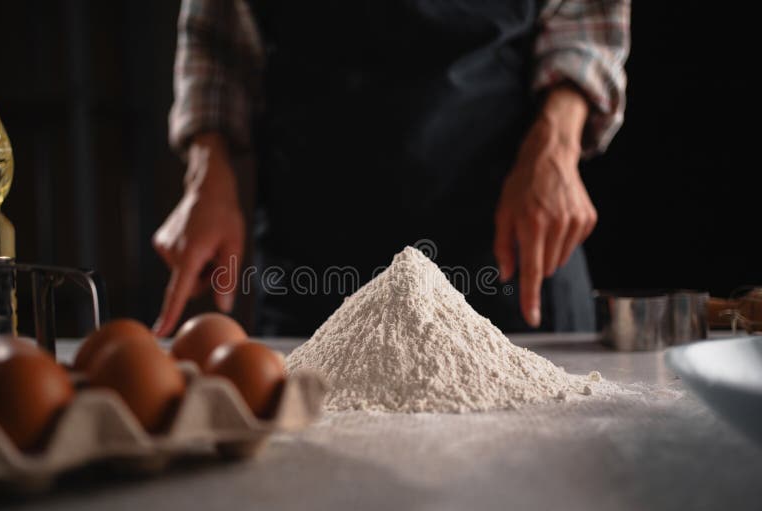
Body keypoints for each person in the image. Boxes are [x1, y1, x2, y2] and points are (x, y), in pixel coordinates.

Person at [153, 0, 630, 337]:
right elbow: (215, 41)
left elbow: (586, 23)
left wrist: (557, 142)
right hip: (317, 260)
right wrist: (207, 169)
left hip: (503, 255)